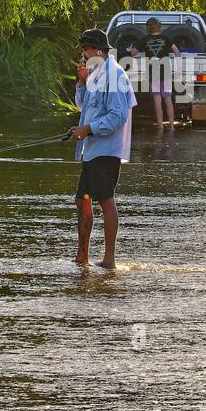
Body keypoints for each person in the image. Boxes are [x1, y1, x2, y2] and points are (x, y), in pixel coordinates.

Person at [71, 28, 137, 270]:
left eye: (86, 50)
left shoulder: (115, 75)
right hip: (91, 149)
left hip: (107, 149)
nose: (84, 55)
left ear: (99, 50)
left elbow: (118, 116)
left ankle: (109, 259)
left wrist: (88, 129)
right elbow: (83, 106)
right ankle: (82, 255)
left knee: (106, 201)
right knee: (82, 200)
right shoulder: (95, 74)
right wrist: (81, 82)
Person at [127, 17, 177, 128]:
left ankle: (160, 126)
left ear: (148, 27)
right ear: (159, 26)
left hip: (152, 72)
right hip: (166, 71)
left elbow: (133, 53)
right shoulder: (167, 38)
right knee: (168, 99)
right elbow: (176, 52)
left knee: (157, 100)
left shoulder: (144, 39)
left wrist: (128, 50)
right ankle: (172, 125)